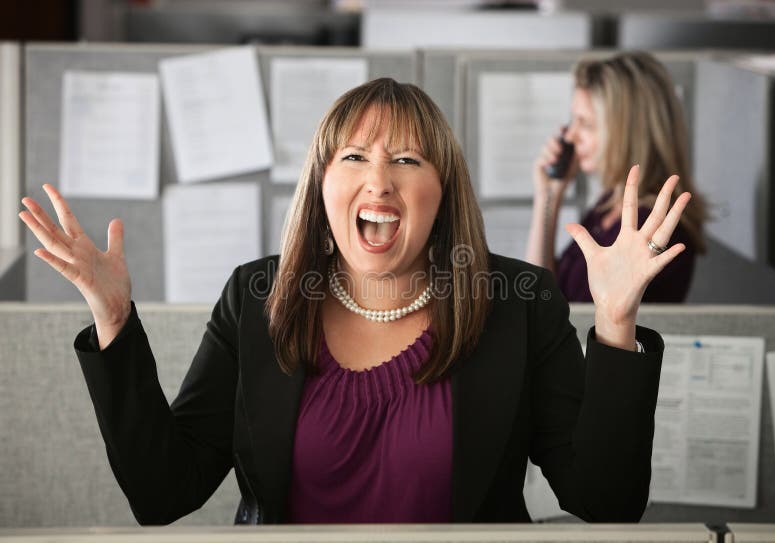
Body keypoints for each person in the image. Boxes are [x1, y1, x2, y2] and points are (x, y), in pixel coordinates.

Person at [19, 78, 690, 525]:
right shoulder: (257, 299)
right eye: (353, 158)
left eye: (406, 160)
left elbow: (606, 502)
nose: (379, 181)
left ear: (441, 190)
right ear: (320, 185)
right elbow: (162, 492)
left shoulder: (517, 303)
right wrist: (113, 320)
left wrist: (616, 320)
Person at [526, 51, 708, 303]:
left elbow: (541, 312)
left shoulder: (650, 227)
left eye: (586, 124)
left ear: (627, 133)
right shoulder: (610, 205)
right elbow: (542, 291)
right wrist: (549, 195)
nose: (570, 136)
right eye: (573, 121)